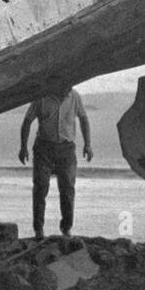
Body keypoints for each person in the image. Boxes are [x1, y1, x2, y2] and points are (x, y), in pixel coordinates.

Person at [19, 85, 92, 238]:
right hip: (43, 148)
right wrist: (23, 147)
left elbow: (84, 119)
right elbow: (27, 121)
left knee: (67, 190)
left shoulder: (74, 96)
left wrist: (88, 145)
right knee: (40, 188)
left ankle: (66, 229)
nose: (68, 88)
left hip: (66, 149)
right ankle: (38, 229)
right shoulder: (41, 97)